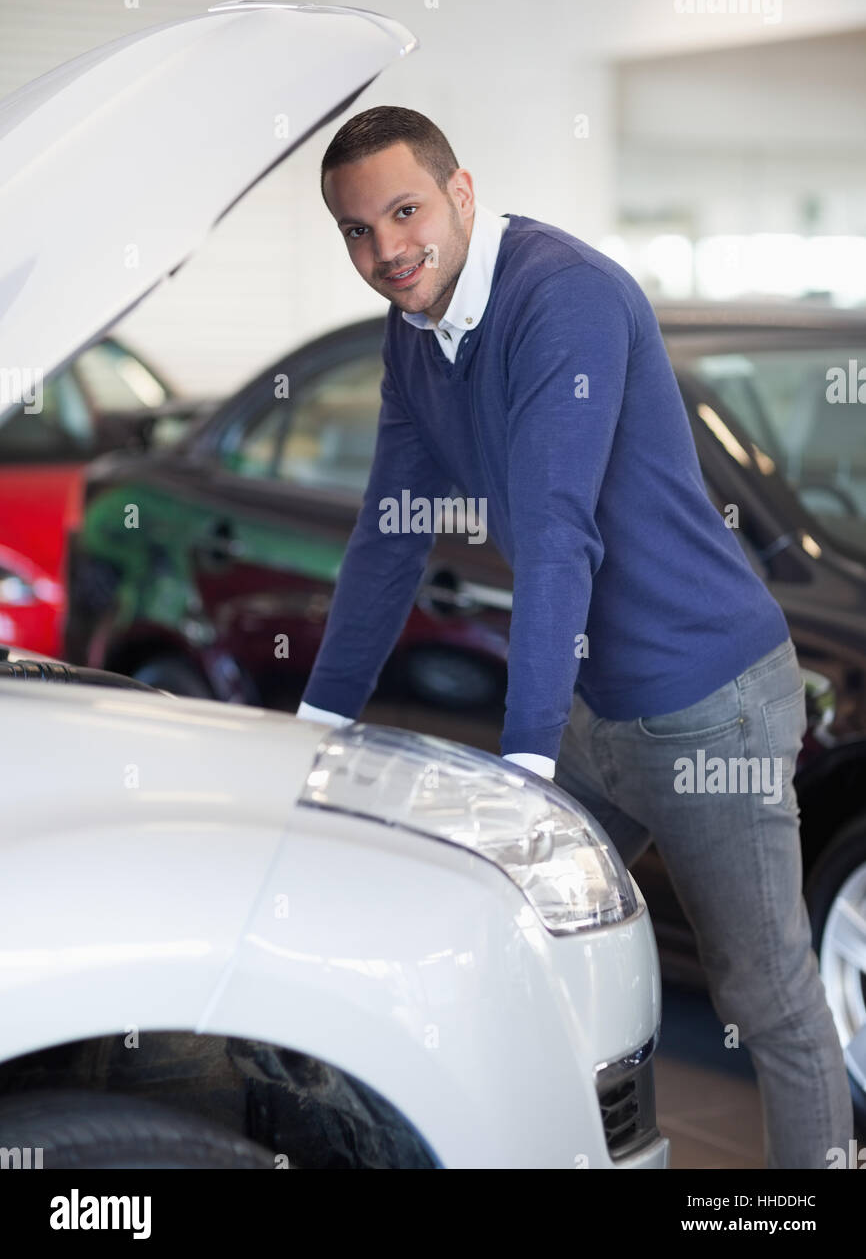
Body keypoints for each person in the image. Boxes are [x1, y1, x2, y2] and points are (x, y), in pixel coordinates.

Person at [297, 104, 853, 1168]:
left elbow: (556, 537)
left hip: (707, 706)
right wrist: (314, 726)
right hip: (601, 711)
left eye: (403, 211)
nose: (384, 250)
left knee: (764, 995)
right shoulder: (414, 338)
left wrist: (521, 771)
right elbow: (386, 539)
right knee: (506, 937)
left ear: (461, 193)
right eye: (357, 231)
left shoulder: (565, 299)